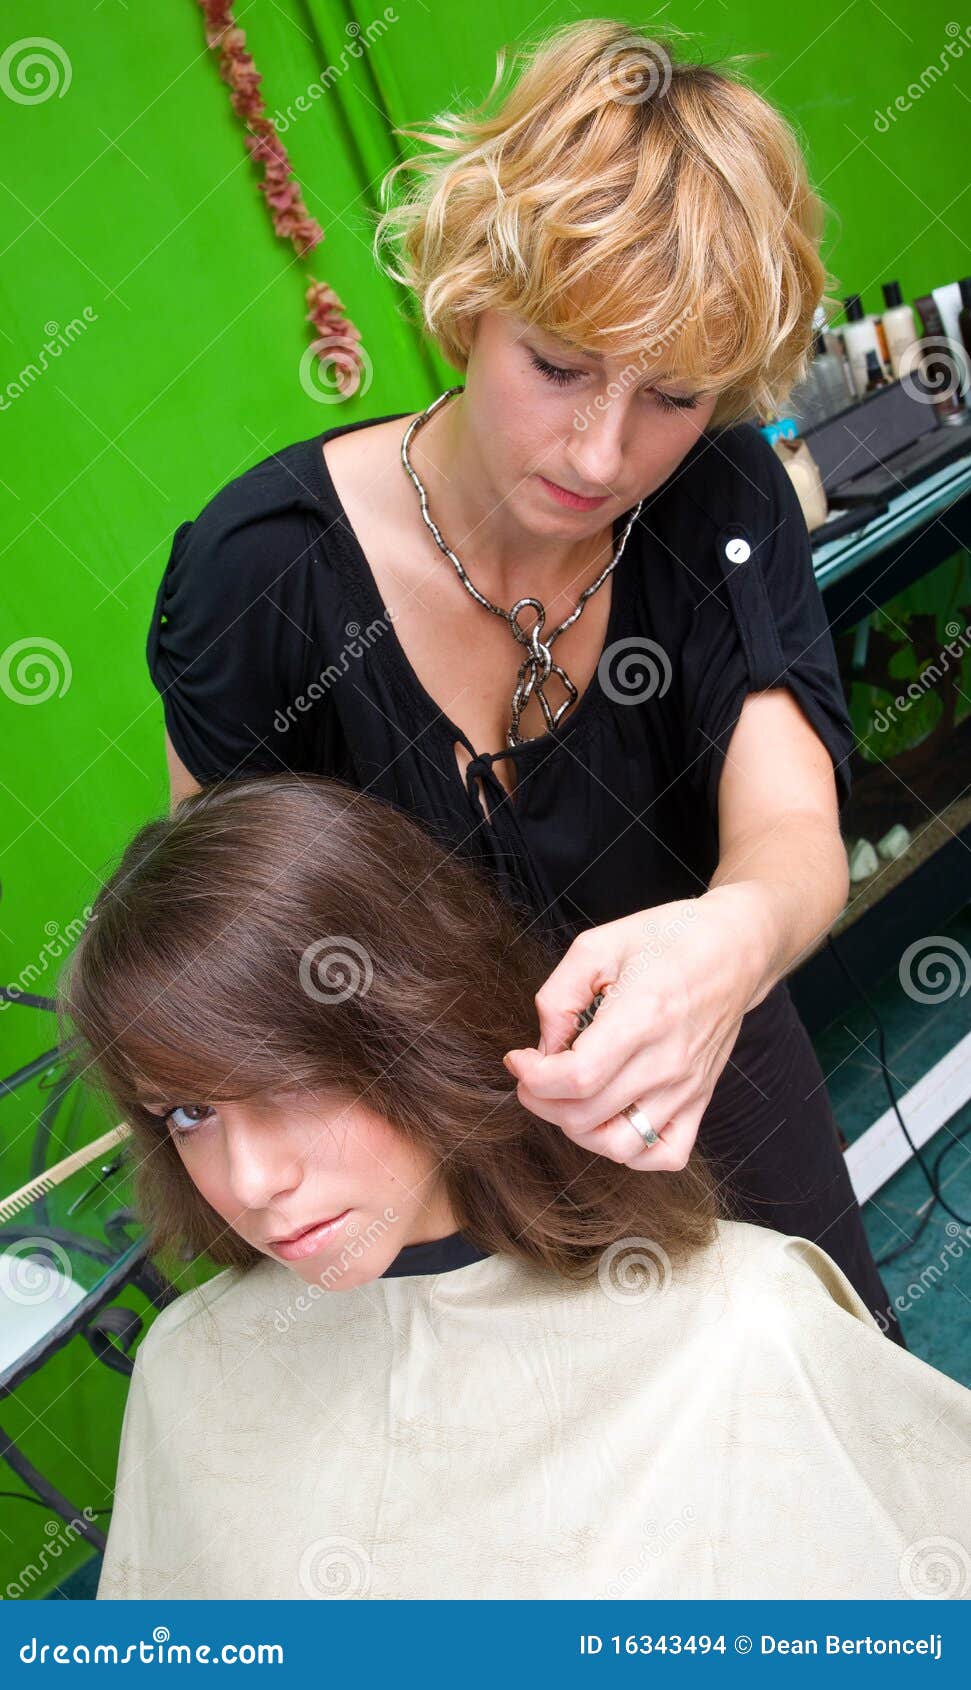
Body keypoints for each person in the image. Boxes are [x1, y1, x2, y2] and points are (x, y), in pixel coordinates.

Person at [146, 20, 903, 1339]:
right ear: (469, 296)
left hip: (714, 1095)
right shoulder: (261, 576)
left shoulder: (717, 499)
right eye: (555, 366)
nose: (602, 453)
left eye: (671, 396)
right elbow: (229, 966)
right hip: (442, 1192)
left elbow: (787, 832)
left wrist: (726, 941)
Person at [59, 777, 970, 1602]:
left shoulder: (744, 1324)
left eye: (291, 1085)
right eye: (186, 1113)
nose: (250, 1182)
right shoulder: (187, 1372)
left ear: (420, 1026)